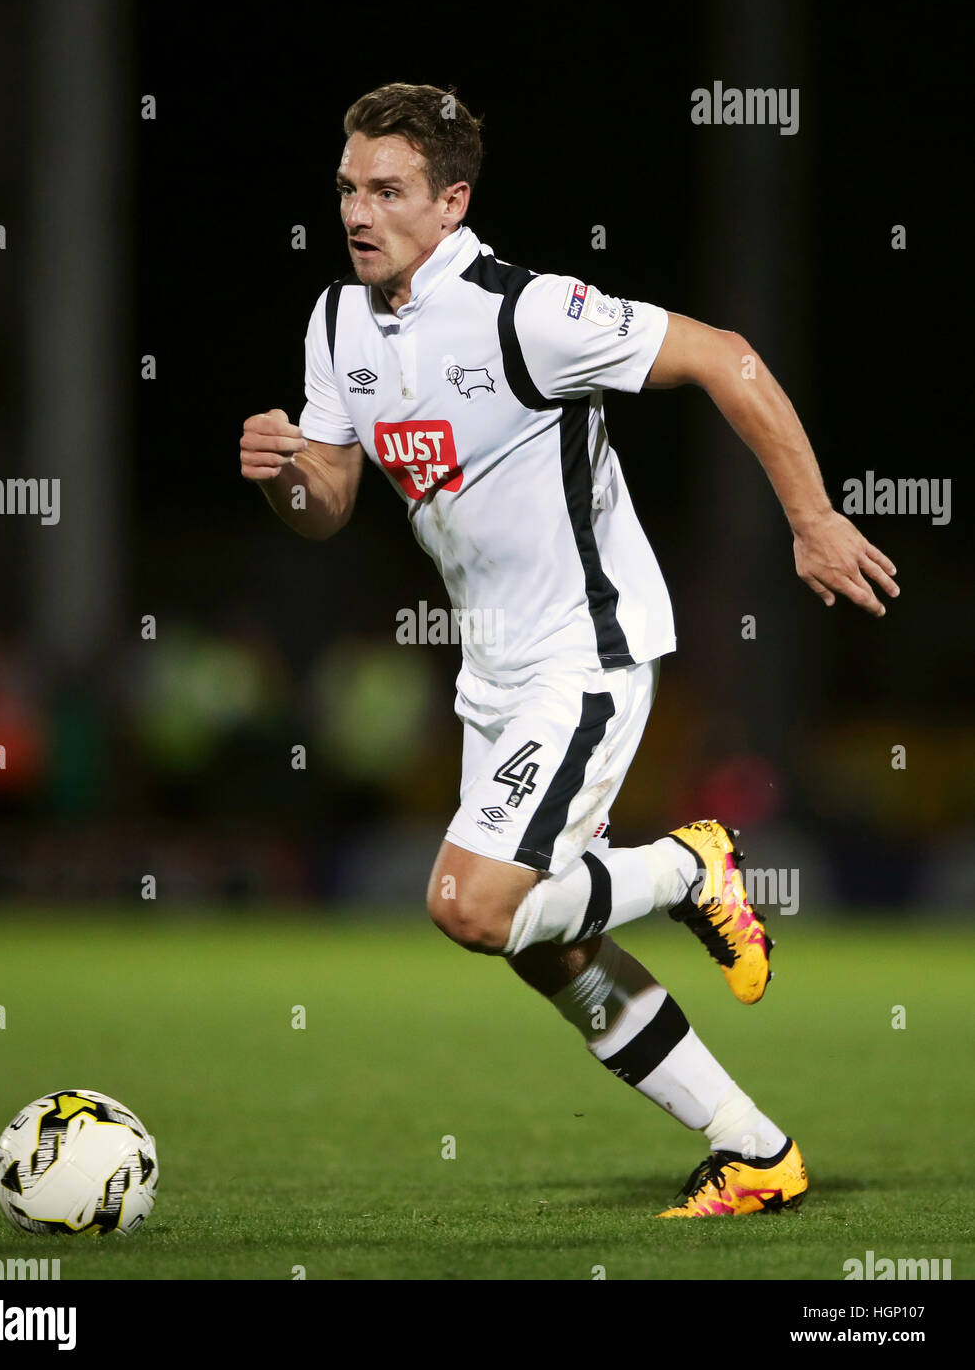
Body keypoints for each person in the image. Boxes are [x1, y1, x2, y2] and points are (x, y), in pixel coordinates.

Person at [239, 83, 898, 1217]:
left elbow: (724, 355)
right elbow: (334, 503)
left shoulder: (521, 312)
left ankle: (687, 867)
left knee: (471, 906)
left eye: (388, 191)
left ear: (451, 204)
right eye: (348, 187)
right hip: (492, 673)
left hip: (583, 656)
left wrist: (811, 516)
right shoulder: (339, 321)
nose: (359, 211)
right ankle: (754, 1149)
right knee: (549, 948)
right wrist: (290, 469)